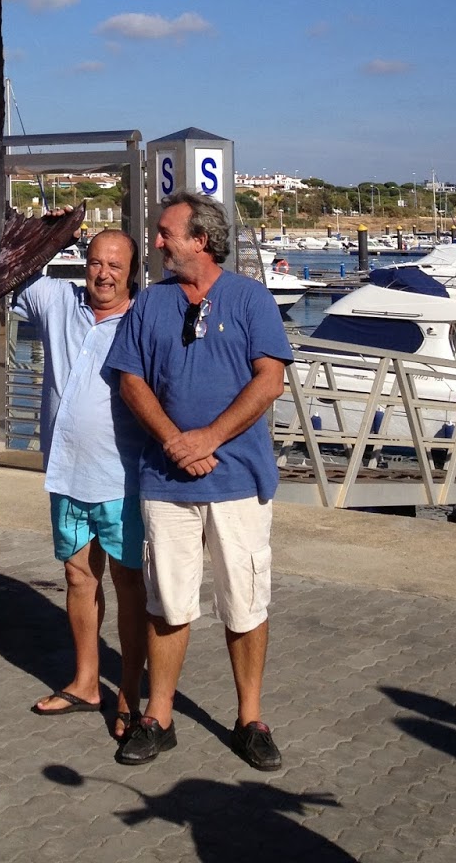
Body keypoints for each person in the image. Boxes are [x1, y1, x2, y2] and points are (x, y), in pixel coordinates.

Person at [105, 191, 293, 770]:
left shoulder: (250, 298)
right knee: (168, 602)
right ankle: (158, 717)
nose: (156, 242)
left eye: (166, 233)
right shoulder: (150, 303)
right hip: (165, 482)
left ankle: (250, 720)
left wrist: (207, 438)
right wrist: (173, 441)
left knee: (245, 602)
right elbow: (130, 379)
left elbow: (270, 381)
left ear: (201, 240)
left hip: (238, 481)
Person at [15, 228, 147, 739]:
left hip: (122, 478)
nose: (103, 274)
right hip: (65, 472)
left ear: (131, 273)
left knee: (129, 584)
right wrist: (52, 236)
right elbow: (10, 268)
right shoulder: (57, 302)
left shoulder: (142, 321)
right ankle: (87, 682)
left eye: (115, 265)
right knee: (77, 578)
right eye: (95, 262)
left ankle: (130, 693)